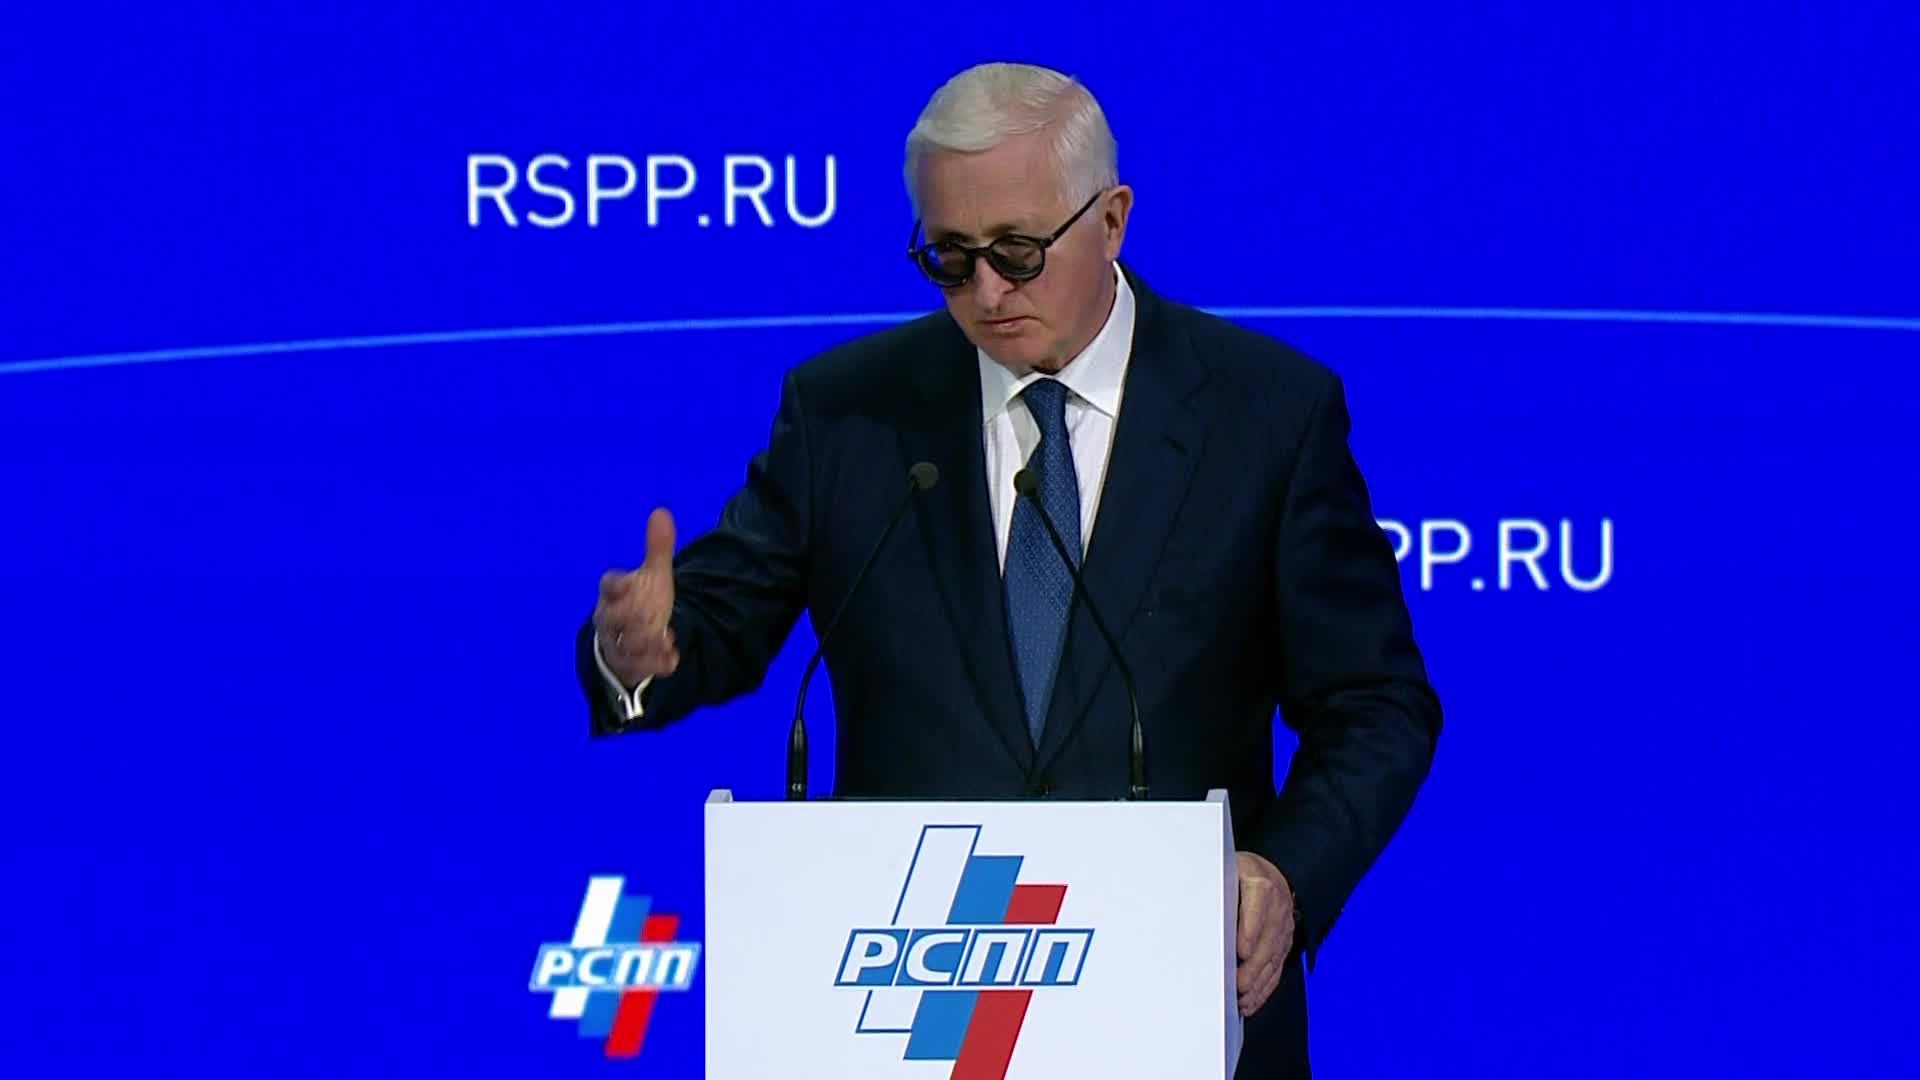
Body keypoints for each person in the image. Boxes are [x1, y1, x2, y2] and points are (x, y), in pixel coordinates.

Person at [576, 61, 1440, 1078]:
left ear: (1111, 221)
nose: (986, 293)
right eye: (949, 258)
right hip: (912, 1021)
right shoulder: (849, 413)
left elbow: (1376, 704)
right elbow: (711, 624)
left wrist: (1284, 874)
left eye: (1018, 253)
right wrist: (637, 651)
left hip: (1176, 1012)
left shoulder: (1267, 415)